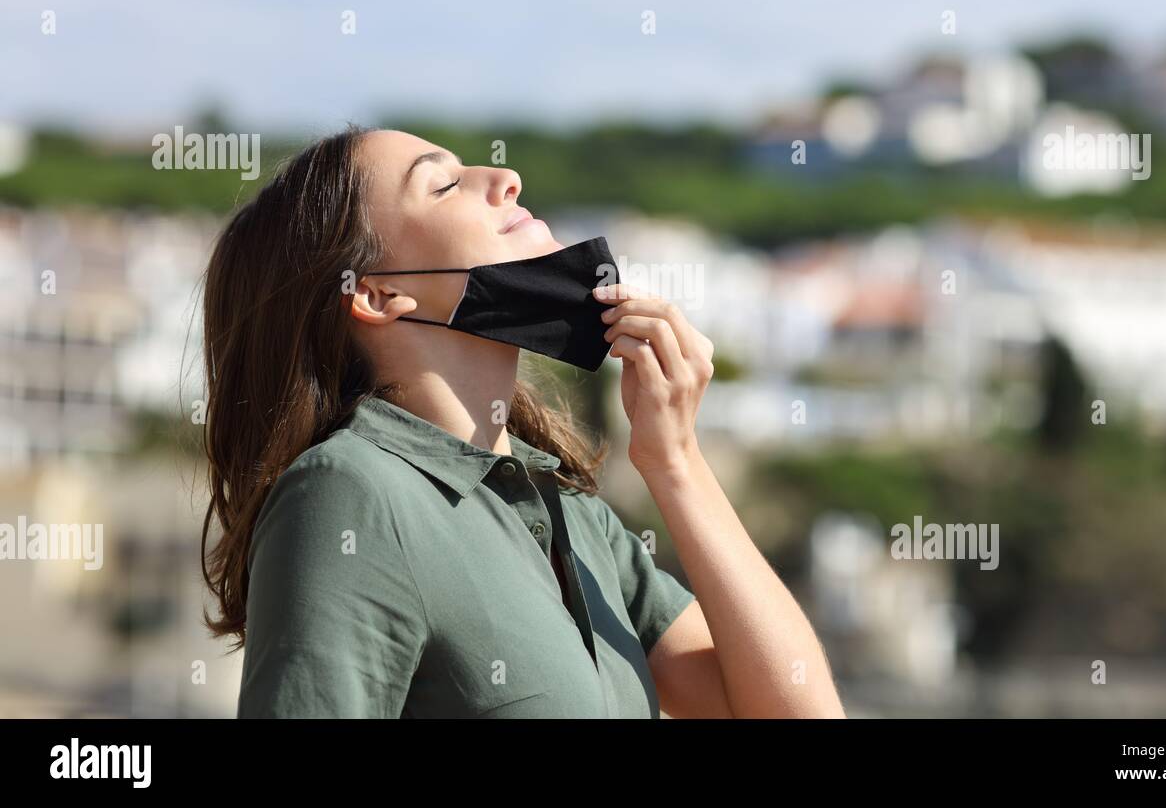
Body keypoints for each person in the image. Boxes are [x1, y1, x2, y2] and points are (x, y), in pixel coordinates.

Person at [200, 125, 845, 718]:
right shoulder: (350, 493)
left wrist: (676, 462)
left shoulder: (571, 515)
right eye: (445, 183)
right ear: (377, 293)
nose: (505, 179)